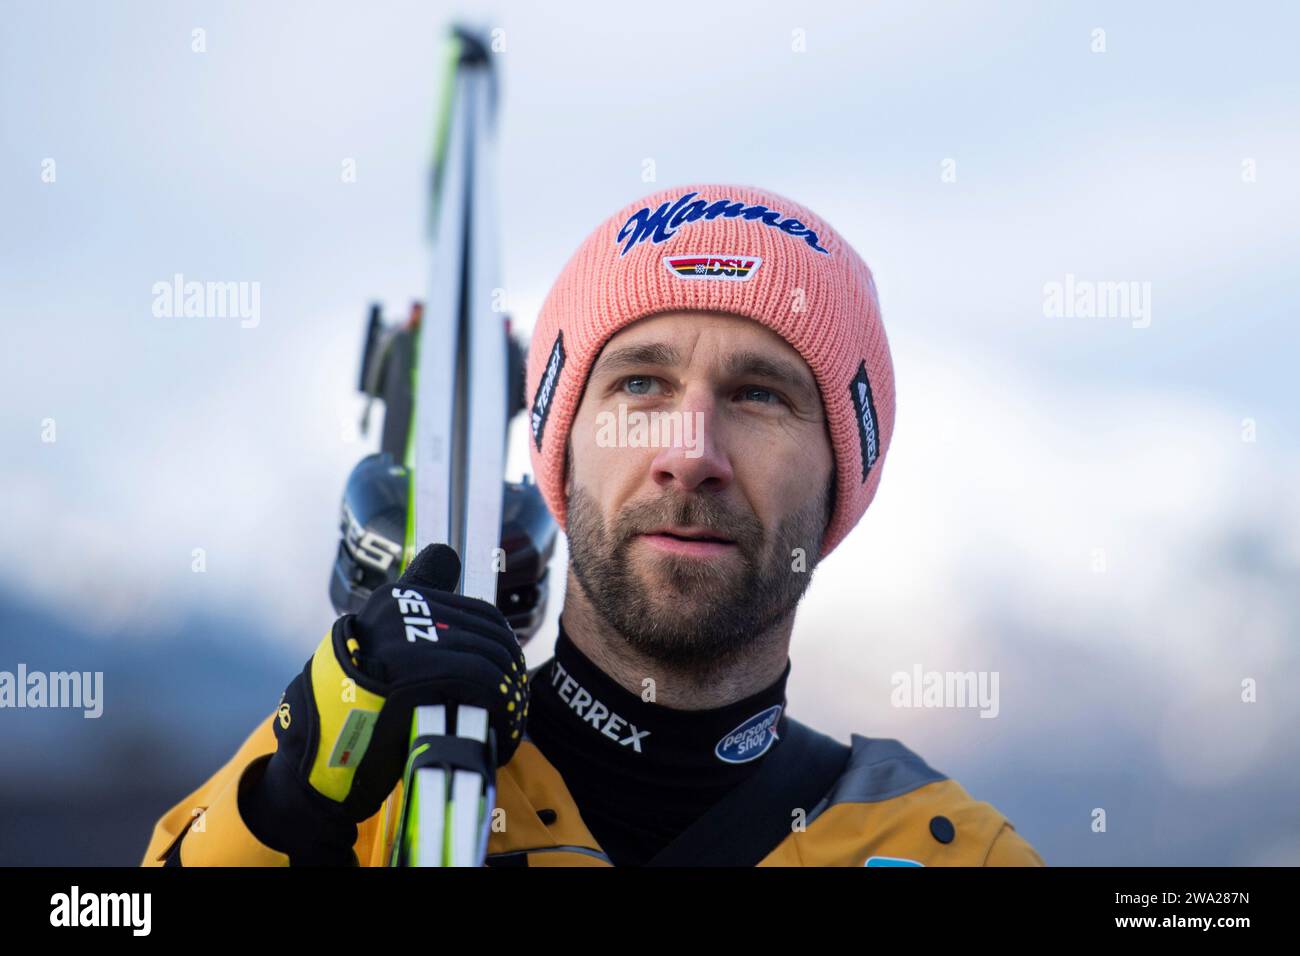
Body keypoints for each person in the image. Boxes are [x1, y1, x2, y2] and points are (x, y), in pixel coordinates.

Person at [142, 184, 1045, 867]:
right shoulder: (376, 785)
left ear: (845, 474)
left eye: (760, 395)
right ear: (558, 452)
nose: (690, 452)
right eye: (639, 385)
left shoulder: (946, 850)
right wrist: (294, 799)